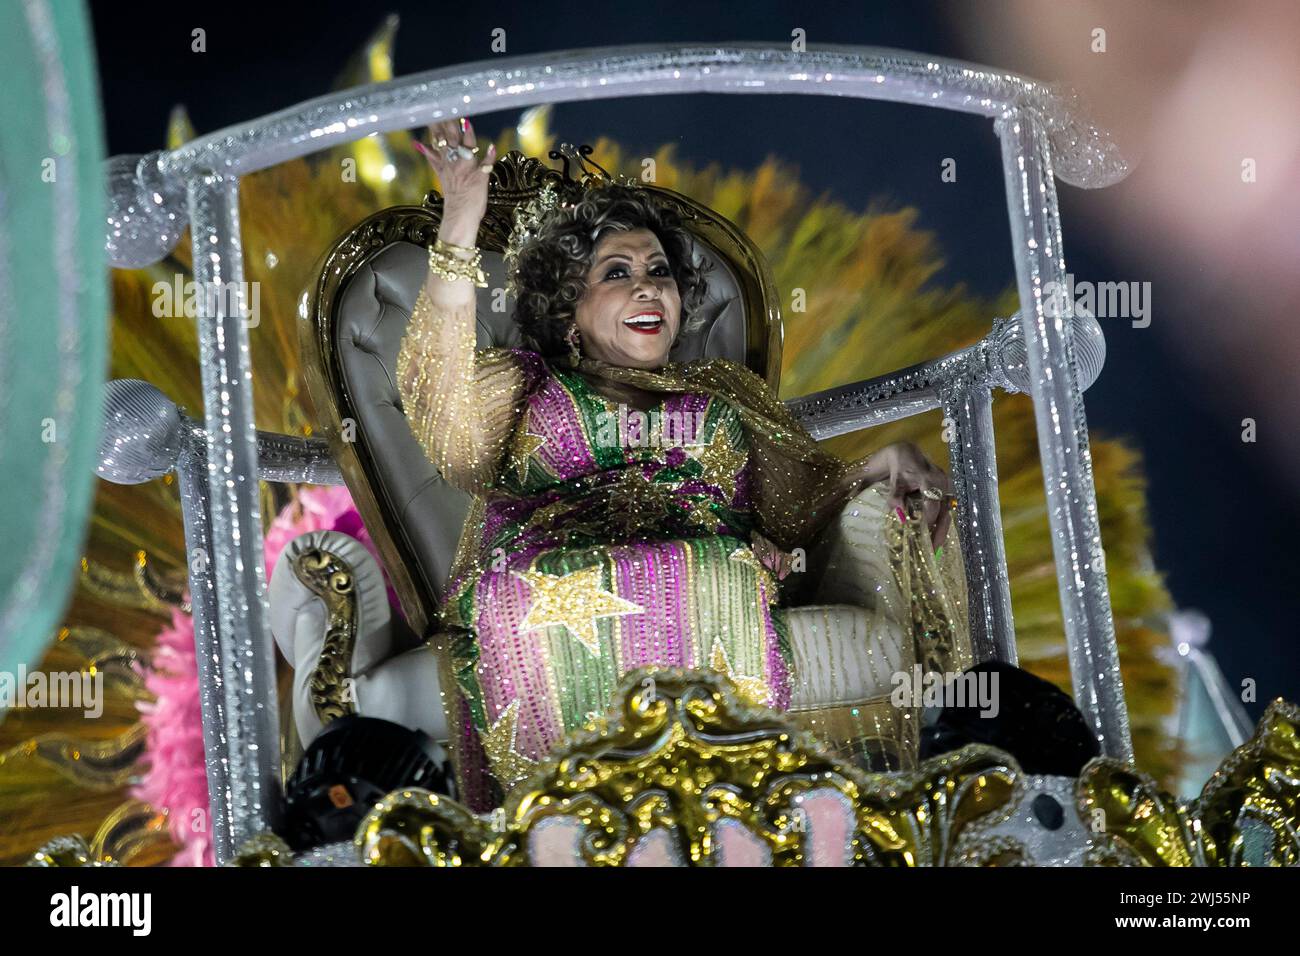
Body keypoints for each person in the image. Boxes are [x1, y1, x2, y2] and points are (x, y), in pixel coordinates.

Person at [400, 118, 969, 798]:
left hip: (712, 584)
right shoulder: (526, 387)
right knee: (585, 592)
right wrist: (461, 221)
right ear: (569, 314)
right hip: (547, 586)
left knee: (724, 574)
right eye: (618, 273)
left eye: (659, 272)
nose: (647, 289)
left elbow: (801, 505)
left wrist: (879, 463)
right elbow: (444, 417)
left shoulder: (724, 396)